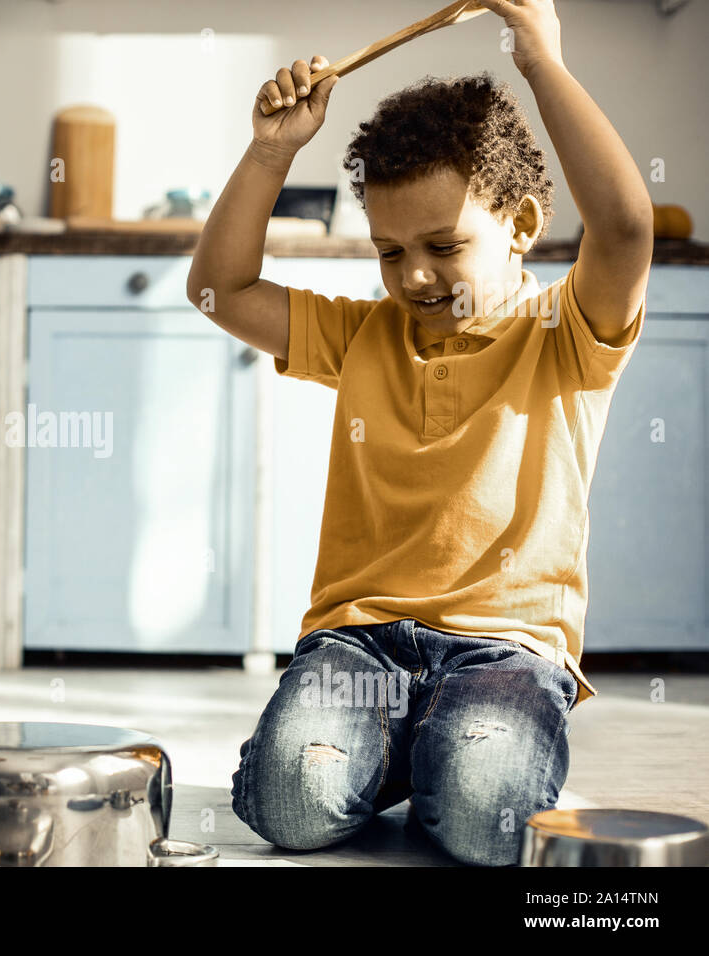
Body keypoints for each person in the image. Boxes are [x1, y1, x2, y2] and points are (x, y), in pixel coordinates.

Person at [188, 0, 651, 865]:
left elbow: (625, 226)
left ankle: (428, 752)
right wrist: (270, 152)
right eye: (390, 251)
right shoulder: (363, 336)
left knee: (486, 824)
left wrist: (541, 60)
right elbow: (217, 289)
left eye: (444, 244)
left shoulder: (567, 333)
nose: (416, 275)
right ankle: (400, 746)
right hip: (360, 639)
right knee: (292, 807)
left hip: (506, 650)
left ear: (519, 225)